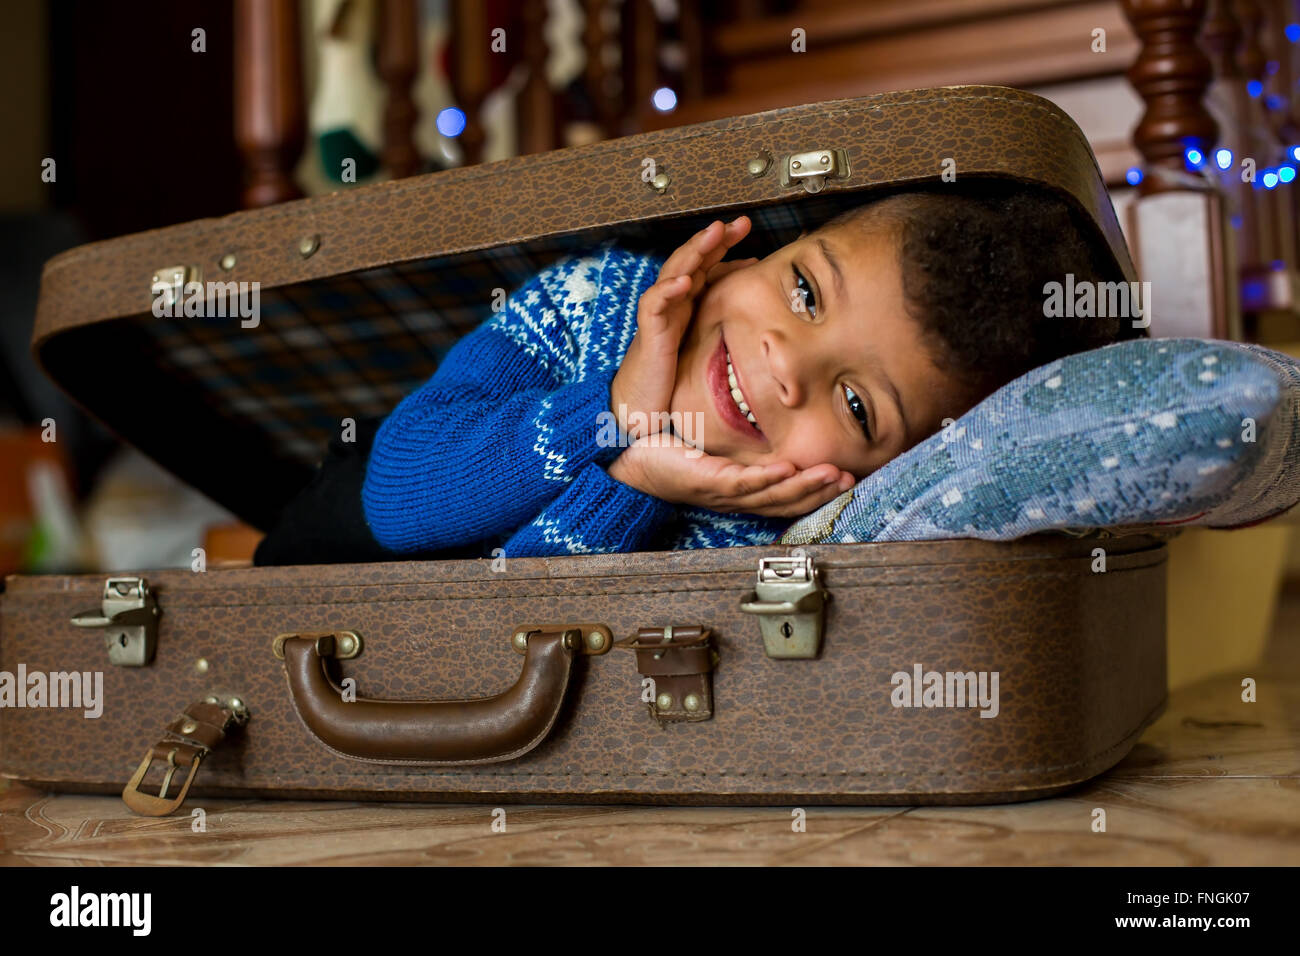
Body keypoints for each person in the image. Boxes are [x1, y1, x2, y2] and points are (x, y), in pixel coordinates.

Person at [254, 183, 1141, 565]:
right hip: (344, 520)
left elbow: (513, 634)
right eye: (802, 289)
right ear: (740, 253)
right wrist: (610, 412)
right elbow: (399, 500)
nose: (786, 364)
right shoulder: (599, 298)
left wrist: (637, 481)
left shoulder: (783, 538)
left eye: (859, 403)